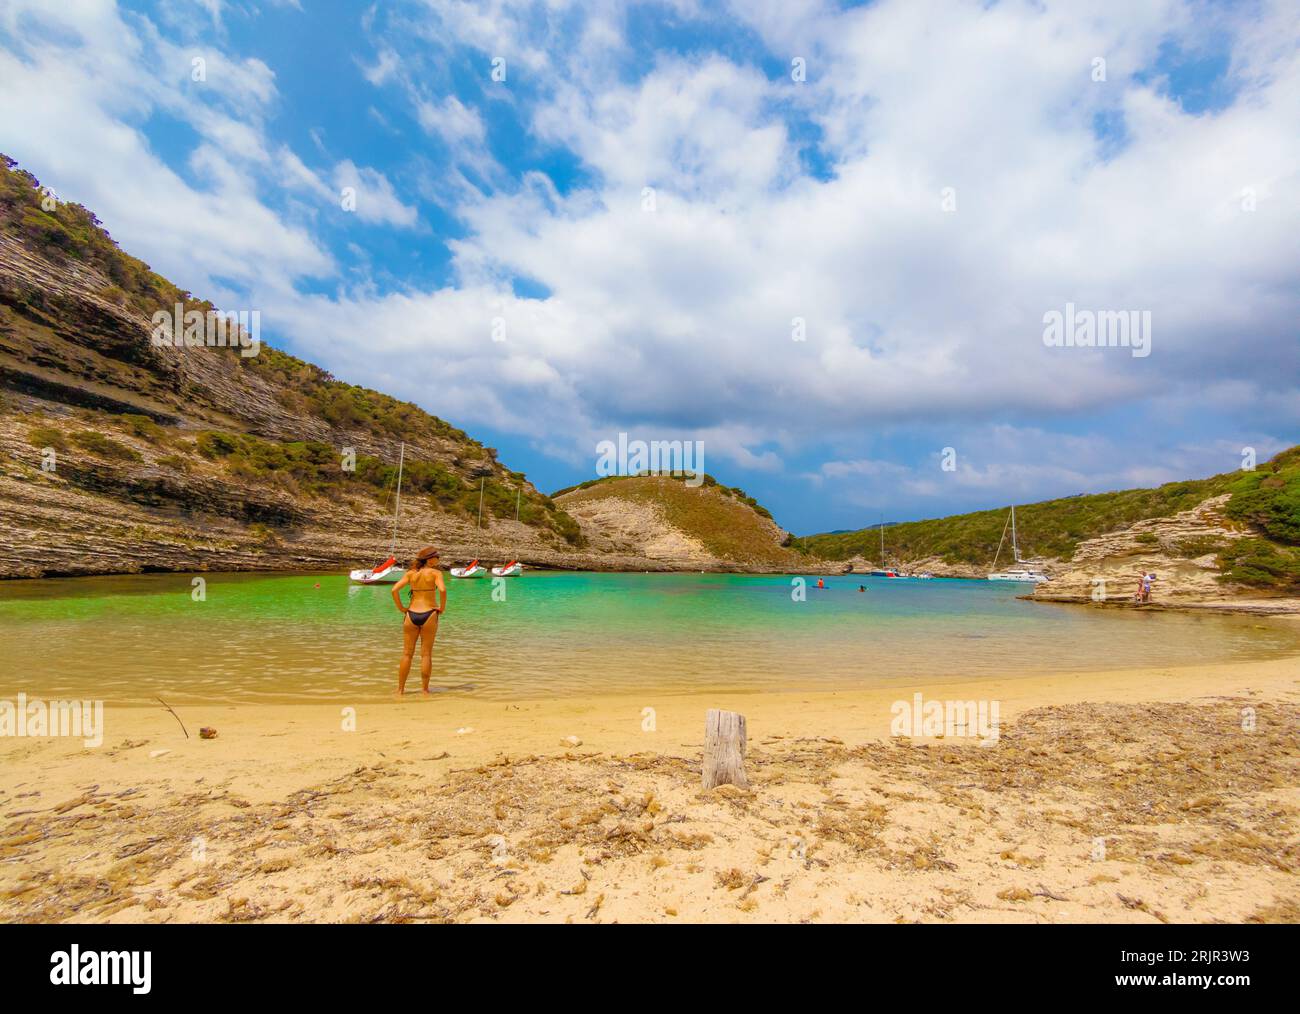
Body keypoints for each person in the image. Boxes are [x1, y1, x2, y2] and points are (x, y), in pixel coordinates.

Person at [390, 546, 447, 695]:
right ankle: (424, 690)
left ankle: (400, 690)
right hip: (429, 613)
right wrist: (442, 607)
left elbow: (394, 590)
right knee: (426, 654)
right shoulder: (436, 573)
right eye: (437, 556)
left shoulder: (410, 574)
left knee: (407, 654)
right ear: (429, 559)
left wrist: (401, 608)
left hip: (411, 614)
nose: (439, 559)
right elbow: (442, 590)